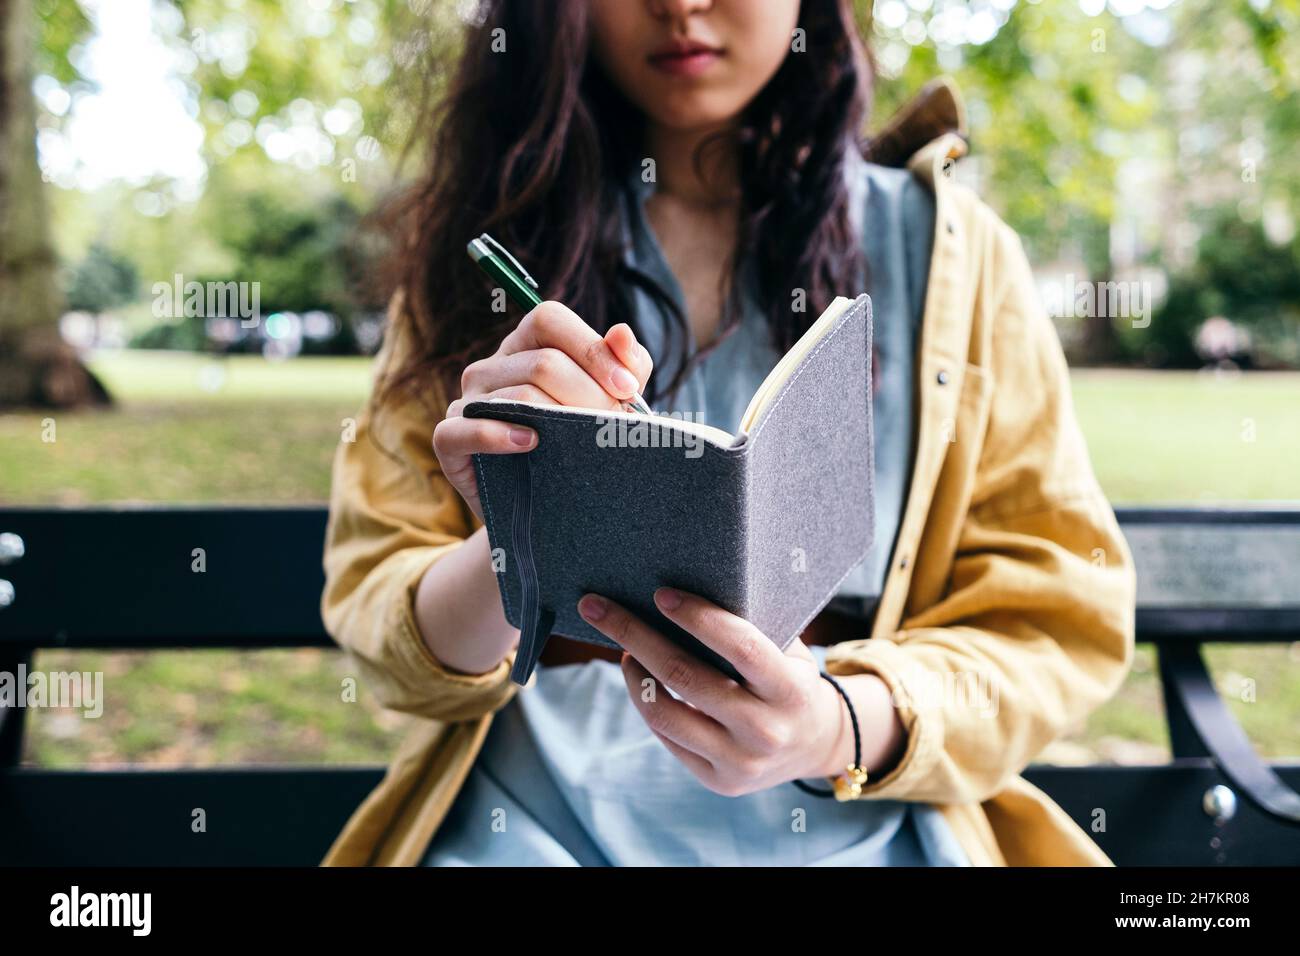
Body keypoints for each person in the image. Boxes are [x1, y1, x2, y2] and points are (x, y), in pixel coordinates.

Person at [320, 0, 1135, 866]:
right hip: (533, 826)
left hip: (861, 826)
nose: (680, 6)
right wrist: (515, 541)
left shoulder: (953, 256)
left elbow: (1053, 617)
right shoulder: (471, 250)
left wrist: (836, 726)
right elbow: (381, 613)